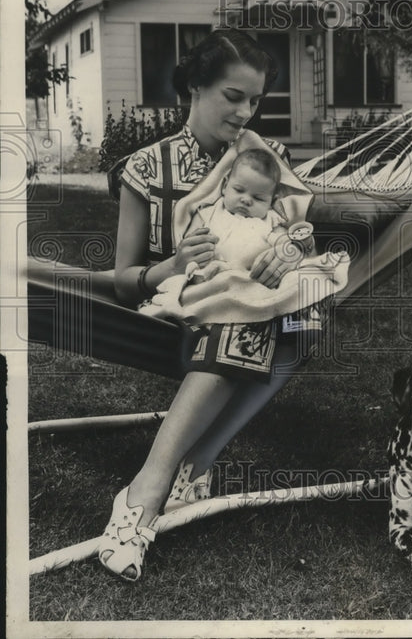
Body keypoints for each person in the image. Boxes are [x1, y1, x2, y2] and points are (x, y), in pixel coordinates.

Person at [98, 29, 324, 581]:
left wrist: (288, 253)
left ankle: (197, 462)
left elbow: (302, 237)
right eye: (233, 96)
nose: (245, 113)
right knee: (236, 321)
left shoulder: (267, 159)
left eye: (255, 101)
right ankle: (145, 490)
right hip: (178, 311)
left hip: (246, 303)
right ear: (195, 88)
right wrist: (174, 264)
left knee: (305, 321)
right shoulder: (146, 168)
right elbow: (124, 281)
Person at [184, 148, 314, 282]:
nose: (246, 200)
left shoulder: (271, 221)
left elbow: (287, 243)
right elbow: (188, 243)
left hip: (250, 278)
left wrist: (296, 245)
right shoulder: (208, 213)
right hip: (208, 275)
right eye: (239, 190)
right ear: (225, 186)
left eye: (258, 198)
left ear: (271, 202)